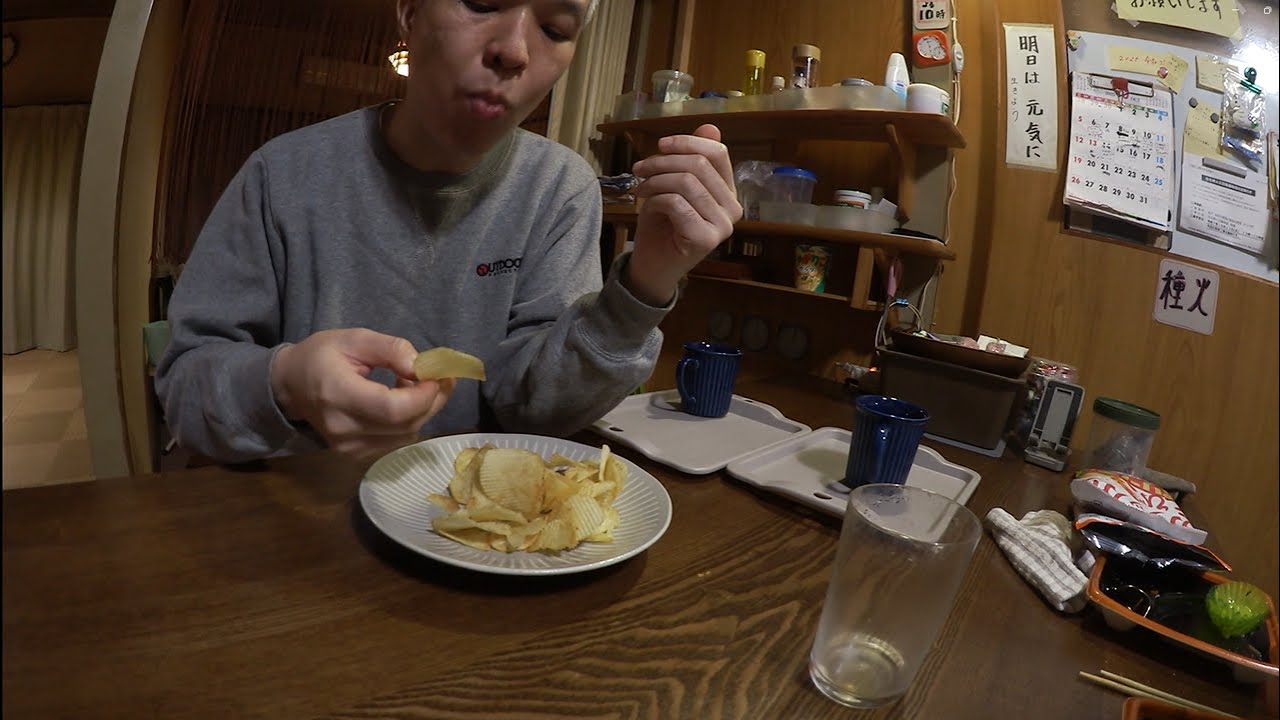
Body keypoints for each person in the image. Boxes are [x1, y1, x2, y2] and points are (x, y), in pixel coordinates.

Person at [155, 0, 742, 463]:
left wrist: (650, 278)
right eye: (482, 1)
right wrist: (285, 383)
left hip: (473, 537)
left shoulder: (560, 187)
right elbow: (184, 390)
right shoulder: (282, 175)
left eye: (557, 29)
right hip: (294, 527)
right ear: (410, 11)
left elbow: (536, 407)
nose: (514, 49)